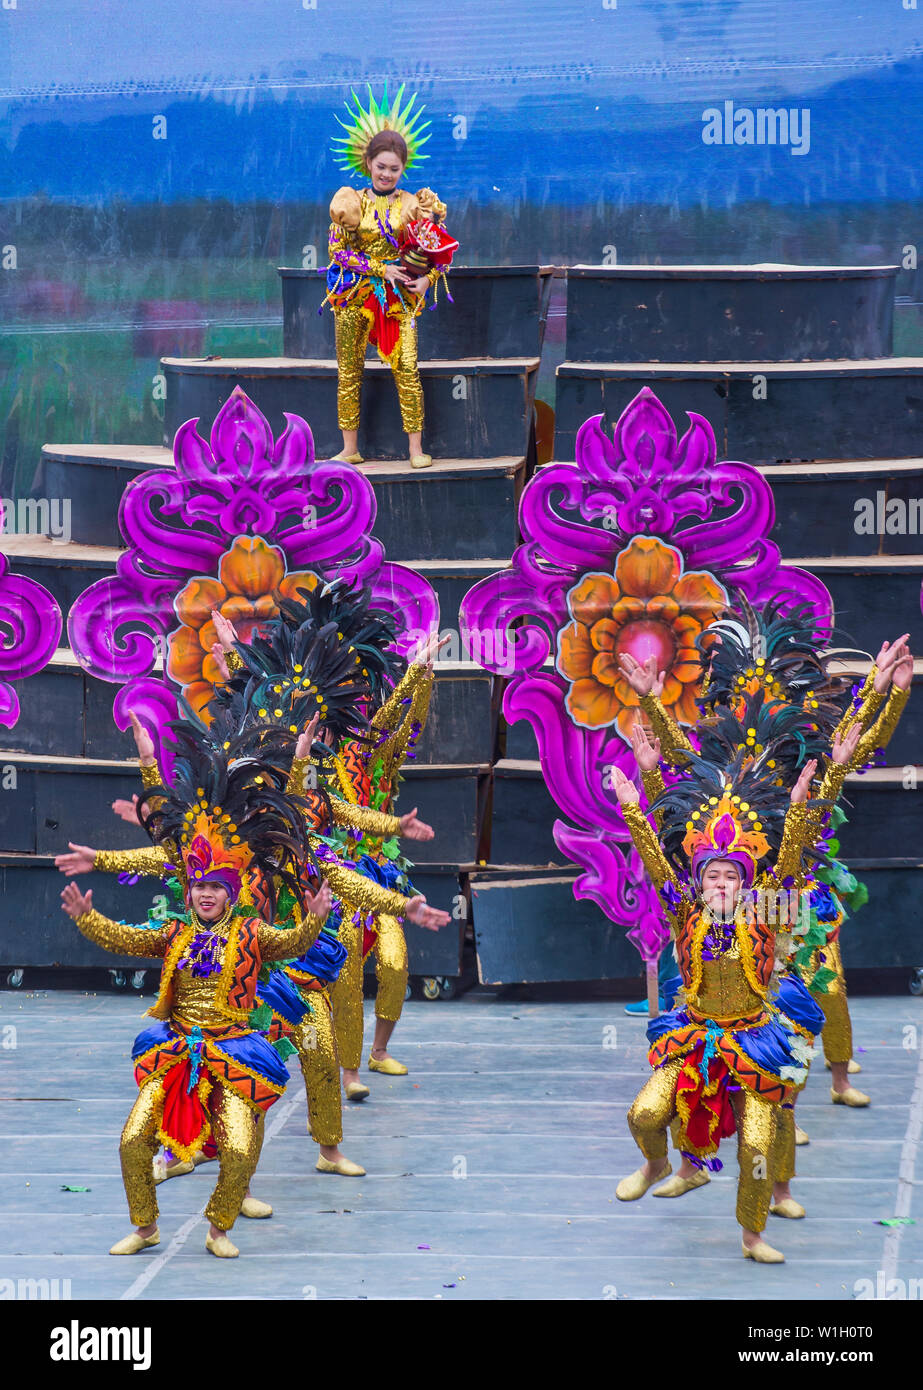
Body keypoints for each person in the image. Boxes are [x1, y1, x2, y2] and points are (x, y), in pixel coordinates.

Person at [60, 722, 331, 1259]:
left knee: (237, 1142)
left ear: (229, 893)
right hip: (177, 1049)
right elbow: (126, 937)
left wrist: (316, 919)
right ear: (189, 891)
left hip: (231, 1049)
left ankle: (218, 1227)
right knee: (133, 1139)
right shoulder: (176, 933)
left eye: (214, 889)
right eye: (198, 887)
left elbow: (293, 940)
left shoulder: (252, 932)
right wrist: (88, 918)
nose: (205, 895)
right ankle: (145, 1227)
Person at [322, 84, 456, 470]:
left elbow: (439, 251)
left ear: (403, 169)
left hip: (398, 300)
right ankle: (350, 448)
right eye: (380, 167)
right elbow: (337, 252)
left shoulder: (414, 205)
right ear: (368, 164)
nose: (386, 174)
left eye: (394, 169)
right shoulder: (351, 202)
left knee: (407, 368)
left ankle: (415, 449)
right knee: (349, 370)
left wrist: (428, 279)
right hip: (352, 296)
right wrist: (381, 268)